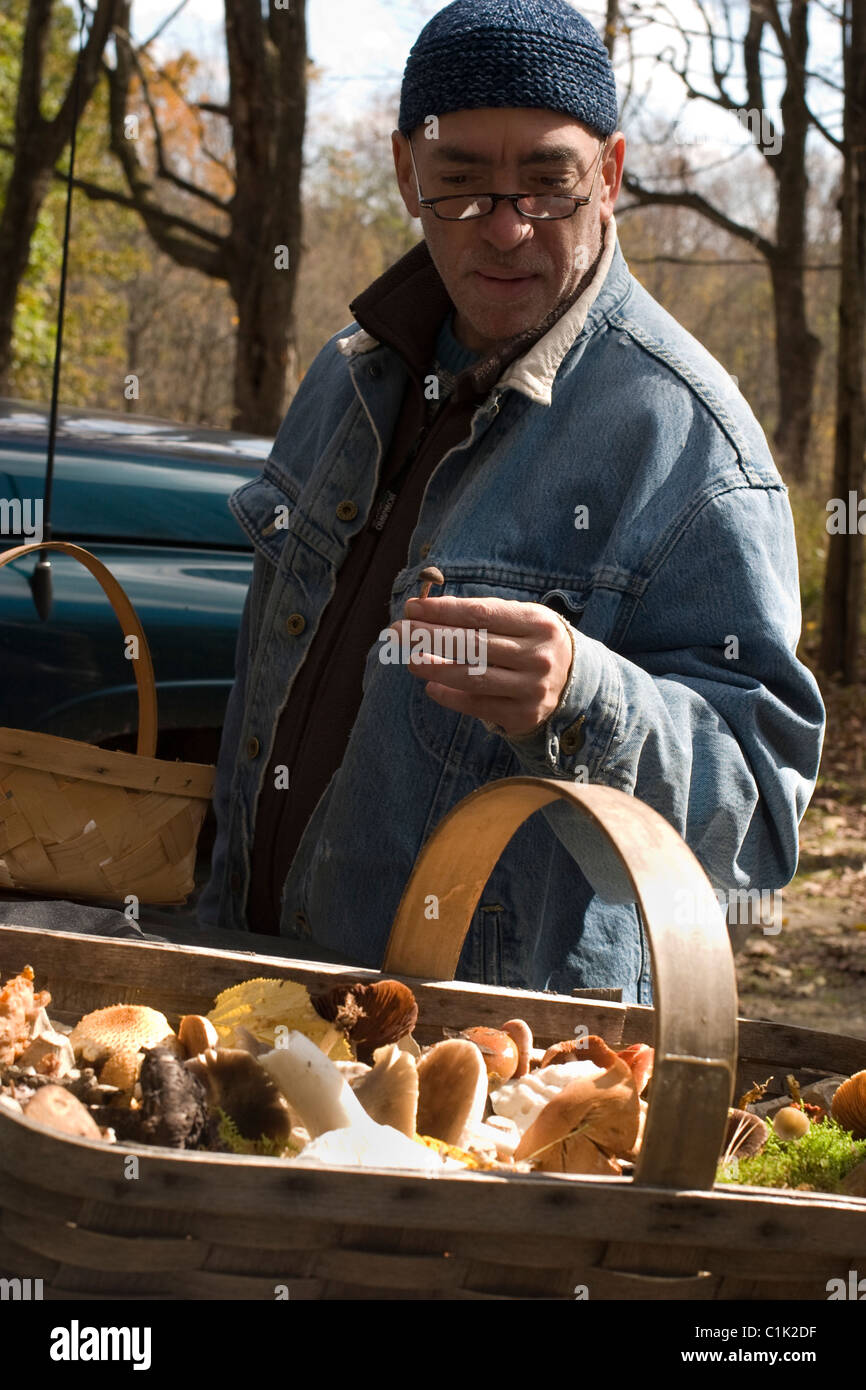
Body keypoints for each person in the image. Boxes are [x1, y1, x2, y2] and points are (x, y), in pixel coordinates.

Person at [198, 0, 825, 1004]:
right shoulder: (345, 377)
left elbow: (754, 817)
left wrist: (583, 691)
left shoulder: (685, 441)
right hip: (250, 997)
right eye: (459, 185)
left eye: (546, 183)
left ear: (610, 176)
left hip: (480, 1072)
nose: (504, 229)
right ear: (407, 171)